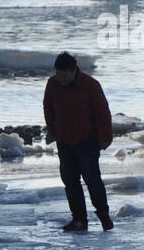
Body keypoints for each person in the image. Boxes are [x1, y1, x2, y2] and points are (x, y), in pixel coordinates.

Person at [43, 51, 114, 232]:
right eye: (58, 75)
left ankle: (104, 216)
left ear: (74, 71)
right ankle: (79, 219)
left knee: (92, 179)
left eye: (64, 75)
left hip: (87, 140)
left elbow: (103, 113)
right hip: (64, 141)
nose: (61, 79)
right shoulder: (52, 84)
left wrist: (106, 137)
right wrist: (53, 131)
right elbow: (48, 108)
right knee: (70, 181)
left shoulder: (90, 85)